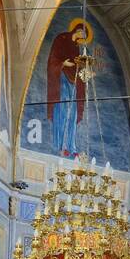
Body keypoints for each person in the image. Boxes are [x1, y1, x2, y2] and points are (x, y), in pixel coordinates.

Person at [46, 19, 91, 158]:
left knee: (73, 114)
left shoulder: (76, 47)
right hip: (61, 80)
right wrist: (62, 63)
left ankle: (72, 147)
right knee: (63, 111)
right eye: (82, 35)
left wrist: (84, 69)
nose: (82, 39)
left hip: (73, 82)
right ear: (78, 30)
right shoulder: (61, 38)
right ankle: (61, 146)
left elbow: (77, 66)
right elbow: (53, 58)